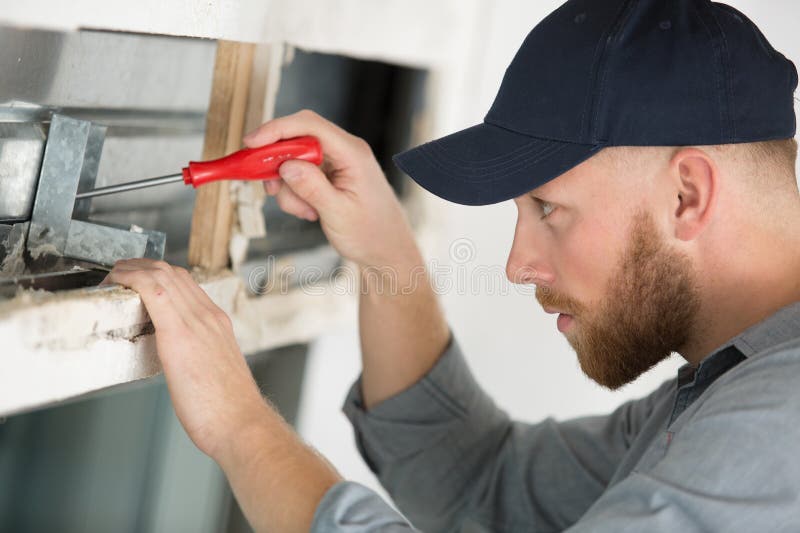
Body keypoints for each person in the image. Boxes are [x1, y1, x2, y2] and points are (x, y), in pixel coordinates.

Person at [102, 0, 800, 531]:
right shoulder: (725, 391)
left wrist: (237, 421)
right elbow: (478, 485)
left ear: (687, 195)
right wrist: (385, 252)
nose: (518, 264)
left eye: (548, 208)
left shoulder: (777, 429)